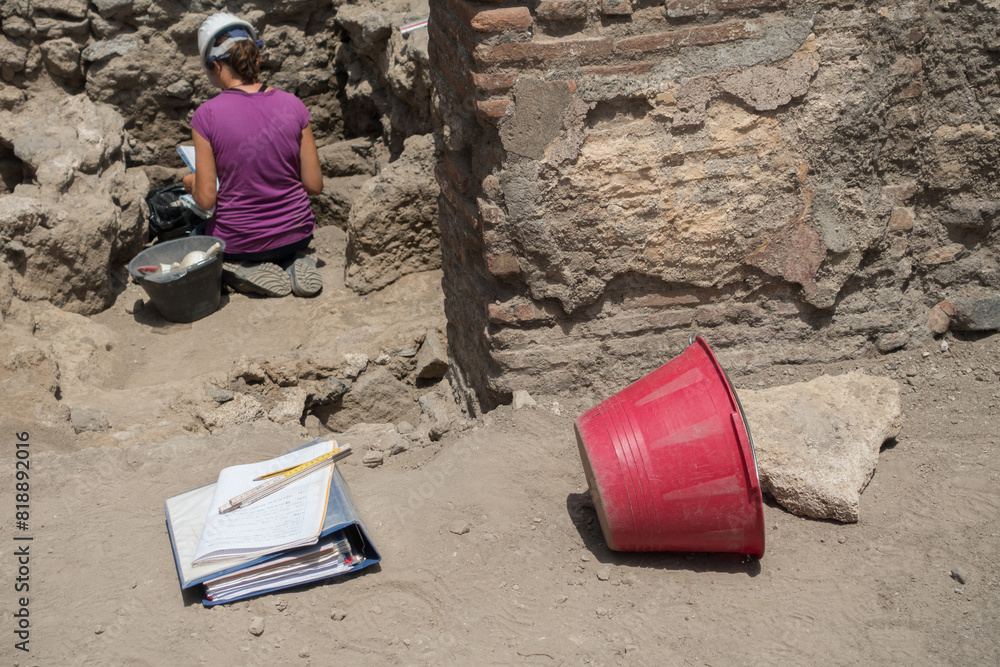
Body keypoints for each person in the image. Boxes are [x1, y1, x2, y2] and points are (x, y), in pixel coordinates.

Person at [183, 13, 323, 298]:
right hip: (298, 233)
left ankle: (238, 267)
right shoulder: (293, 105)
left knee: (195, 238)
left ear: (214, 66)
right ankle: (293, 260)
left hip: (239, 240)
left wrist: (192, 183)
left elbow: (207, 198)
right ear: (256, 60)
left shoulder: (206, 116)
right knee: (283, 242)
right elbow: (314, 185)